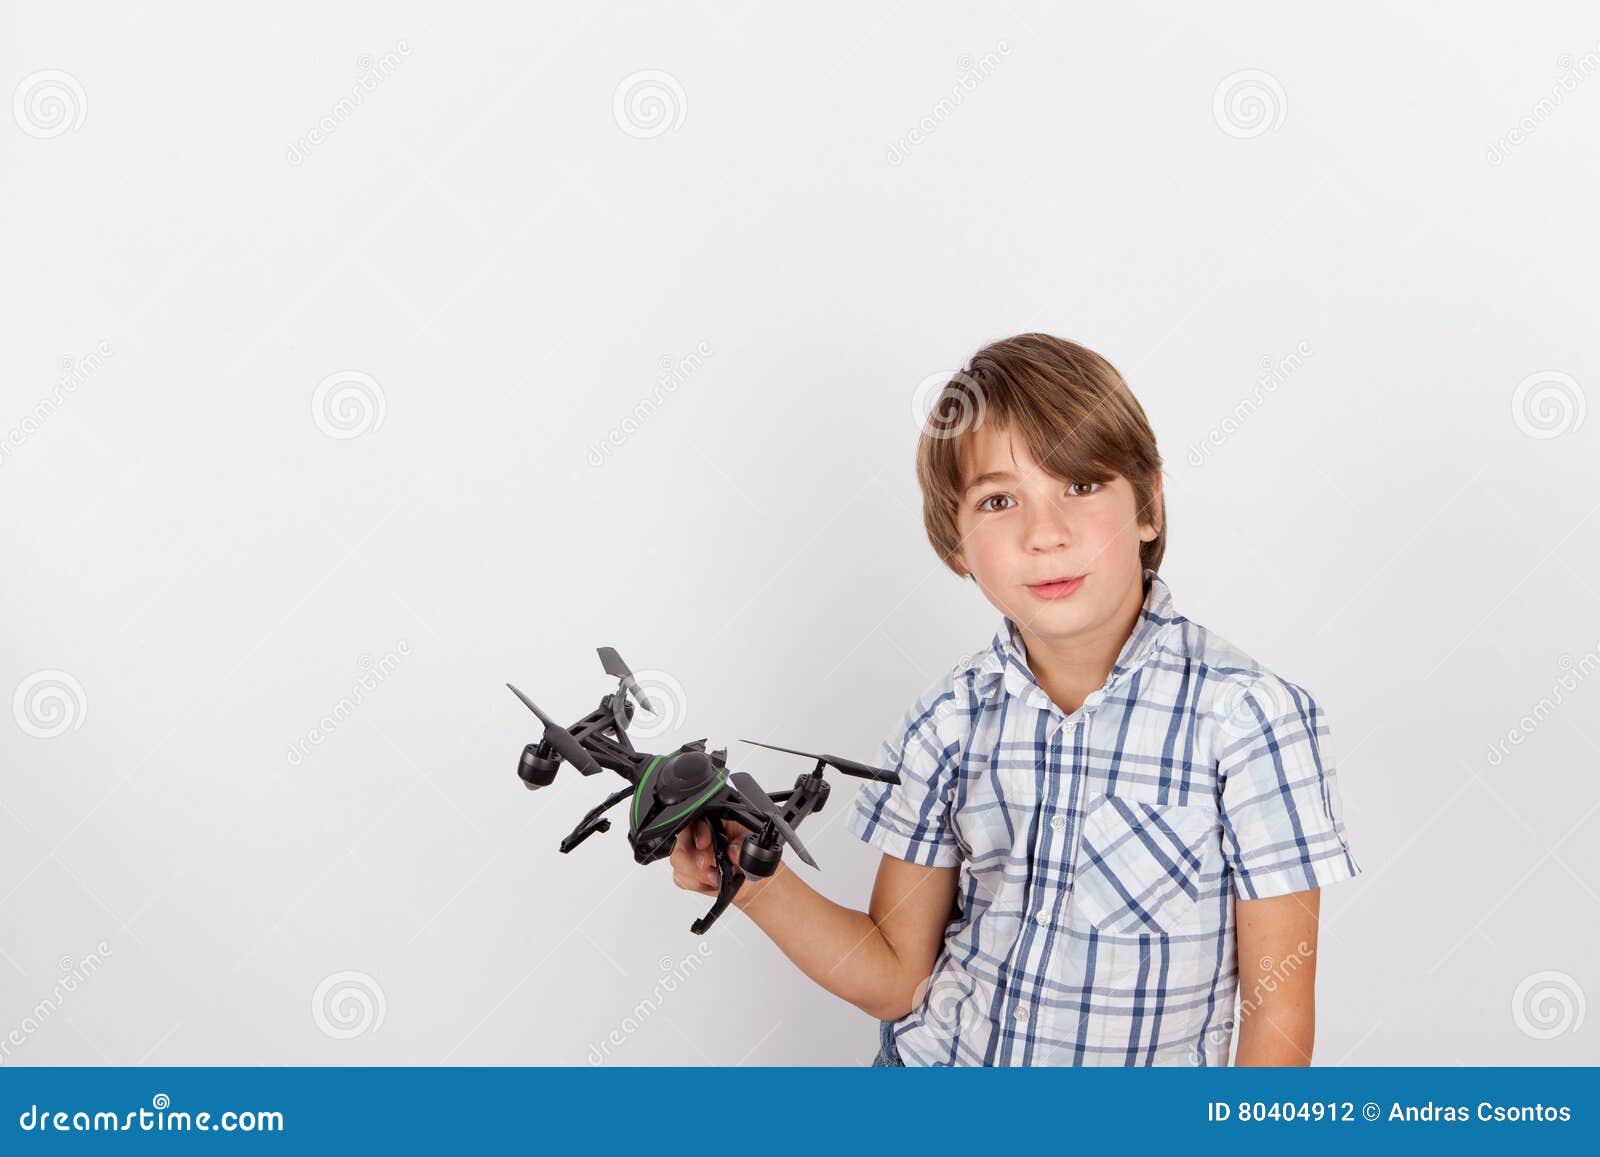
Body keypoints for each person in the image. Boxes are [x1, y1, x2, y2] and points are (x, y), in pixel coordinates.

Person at [671, 332, 1360, 1065]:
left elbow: (1277, 1013)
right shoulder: (947, 722)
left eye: (1083, 485)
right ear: (957, 545)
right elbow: (898, 974)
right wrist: (749, 883)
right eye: (1000, 500)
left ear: (1149, 506)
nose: (1046, 533)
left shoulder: (1250, 719)